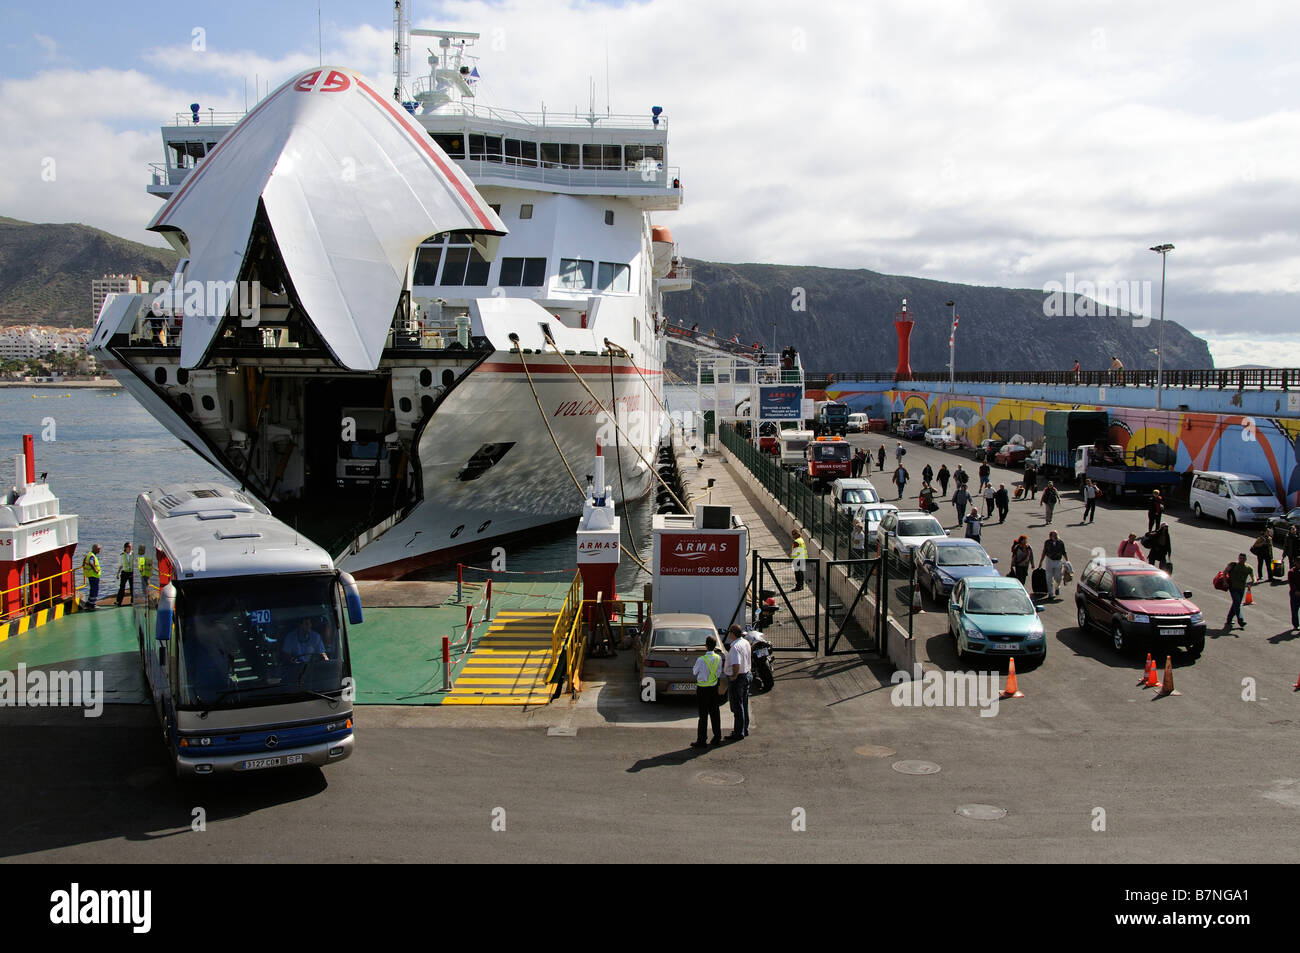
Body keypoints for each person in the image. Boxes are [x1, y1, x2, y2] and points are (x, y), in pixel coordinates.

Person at [690, 635, 724, 748]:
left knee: (703, 715)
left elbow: (694, 672)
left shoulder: (701, 659)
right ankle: (717, 737)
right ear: (715, 646)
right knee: (715, 713)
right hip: (714, 689)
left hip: (702, 689)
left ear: (706, 646)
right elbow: (718, 673)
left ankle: (702, 739)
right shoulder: (718, 658)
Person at [724, 624, 752, 740]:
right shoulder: (745, 643)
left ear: (733, 633)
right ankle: (744, 729)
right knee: (744, 703)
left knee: (737, 706)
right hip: (747, 674)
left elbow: (736, 664)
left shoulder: (735, 647)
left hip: (738, 677)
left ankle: (738, 732)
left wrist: (734, 676)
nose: (729, 634)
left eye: (730, 632)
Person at [1224, 553, 1254, 629]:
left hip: (1242, 588)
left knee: (1235, 603)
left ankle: (1229, 619)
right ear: (1238, 558)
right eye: (1240, 558)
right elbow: (1225, 572)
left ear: (1246, 559)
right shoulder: (1233, 565)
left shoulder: (1248, 568)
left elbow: (1253, 576)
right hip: (1233, 587)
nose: (1241, 560)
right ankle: (1241, 620)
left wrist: (1253, 581)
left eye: (1243, 558)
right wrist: (1225, 582)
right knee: (1237, 603)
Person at [1038, 530, 1068, 598]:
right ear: (1050, 536)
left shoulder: (1061, 542)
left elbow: (1064, 552)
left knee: (1058, 577)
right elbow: (1044, 552)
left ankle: (1057, 587)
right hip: (1049, 561)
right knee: (1049, 578)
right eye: (1054, 535)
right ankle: (1050, 593)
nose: (1055, 536)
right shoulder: (1047, 542)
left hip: (1058, 561)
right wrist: (1041, 562)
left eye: (1056, 535)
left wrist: (1067, 561)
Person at [81, 543, 102, 611]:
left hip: (91, 575)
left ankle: (89, 603)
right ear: (95, 549)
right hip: (93, 575)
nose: (99, 551)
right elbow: (91, 562)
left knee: (92, 589)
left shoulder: (89, 554)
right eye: (99, 549)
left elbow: (84, 560)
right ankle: (92, 604)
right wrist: (95, 570)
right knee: (94, 589)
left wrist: (84, 564)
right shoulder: (92, 556)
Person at [114, 541, 134, 607]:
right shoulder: (122, 555)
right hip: (124, 573)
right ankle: (119, 601)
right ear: (126, 548)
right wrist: (117, 574)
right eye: (129, 547)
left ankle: (133, 601)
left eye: (131, 547)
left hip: (131, 572)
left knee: (132, 587)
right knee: (122, 587)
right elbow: (120, 565)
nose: (131, 548)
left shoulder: (133, 555)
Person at [1289, 559, 1300, 632]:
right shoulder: (1291, 572)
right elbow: (1291, 583)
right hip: (1295, 593)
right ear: (1296, 563)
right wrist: (1296, 590)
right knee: (1294, 609)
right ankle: (1295, 625)